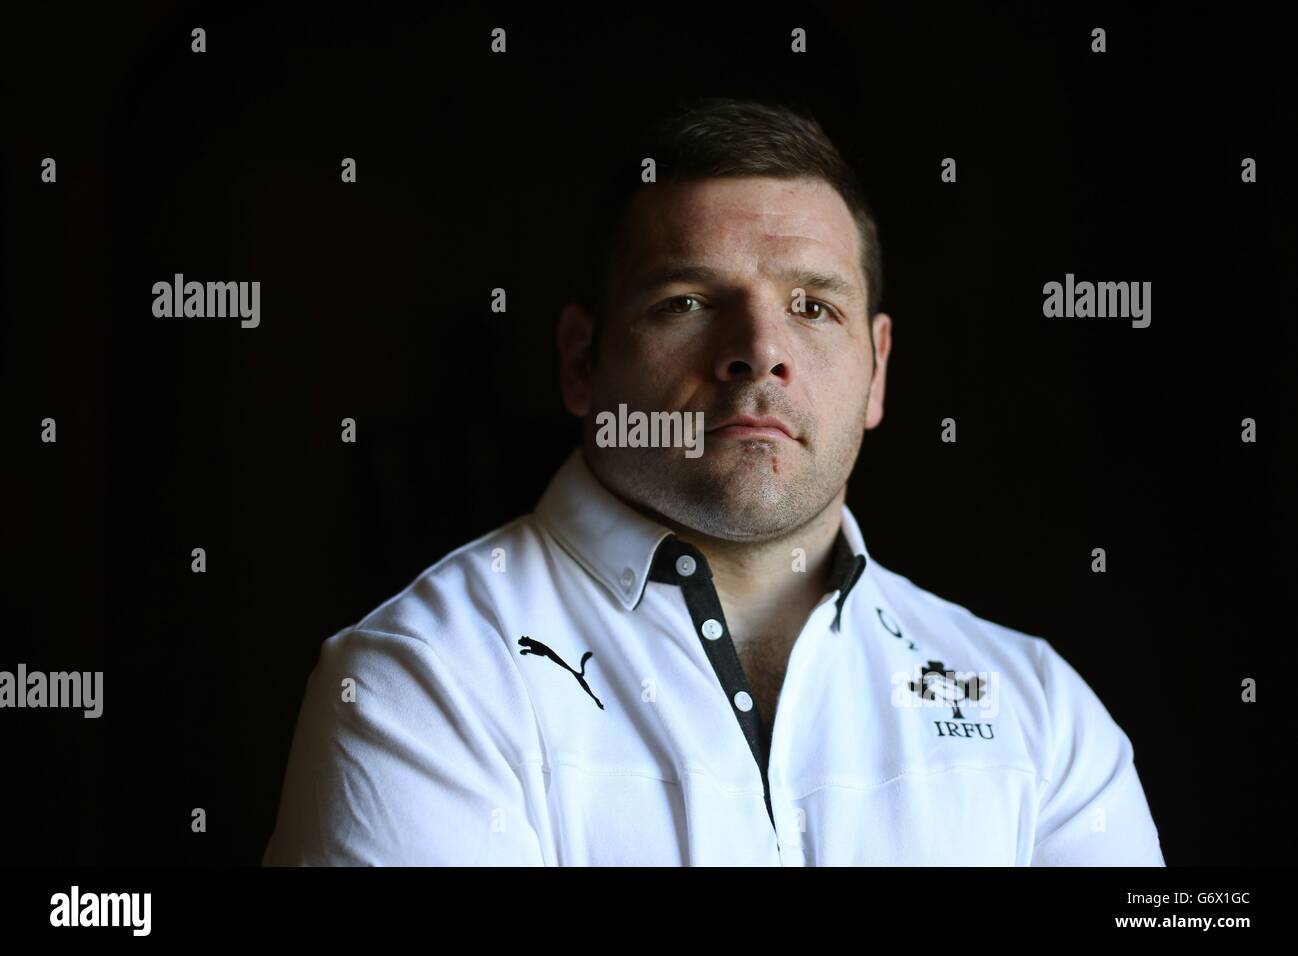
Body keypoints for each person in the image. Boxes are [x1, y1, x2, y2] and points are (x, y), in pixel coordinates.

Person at [262, 97, 1165, 866]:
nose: (760, 353)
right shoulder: (424, 685)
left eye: (812, 306)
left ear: (878, 368)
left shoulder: (1037, 712)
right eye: (688, 301)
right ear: (582, 361)